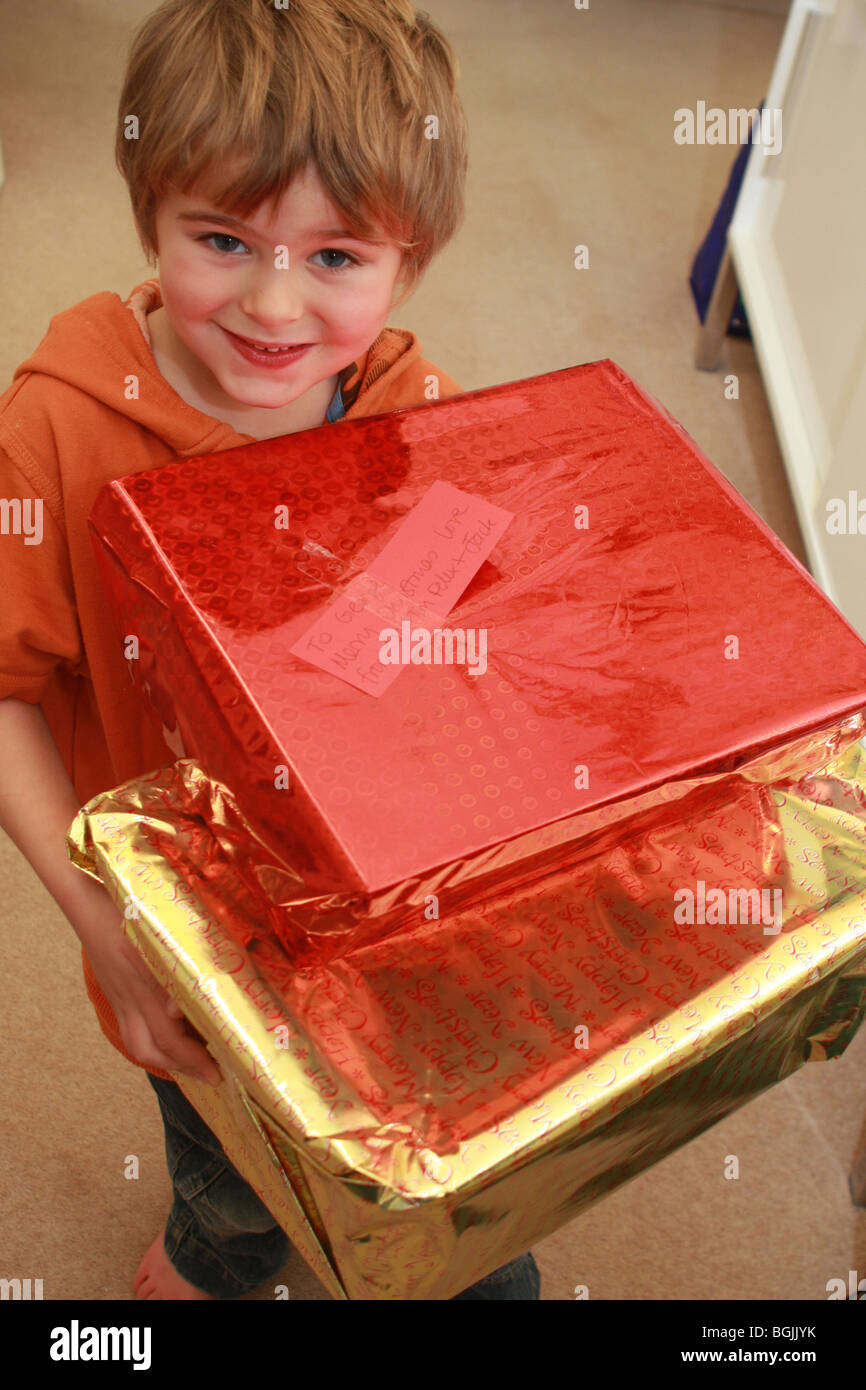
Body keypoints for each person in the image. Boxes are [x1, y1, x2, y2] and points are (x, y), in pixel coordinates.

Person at [0, 0, 540, 1302]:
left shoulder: (430, 427)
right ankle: (206, 1252)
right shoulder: (56, 429)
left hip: (393, 956)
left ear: (407, 266)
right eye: (224, 238)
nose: (273, 302)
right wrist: (105, 926)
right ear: (151, 214)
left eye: (338, 257)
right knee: (230, 1178)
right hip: (190, 955)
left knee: (451, 1214)